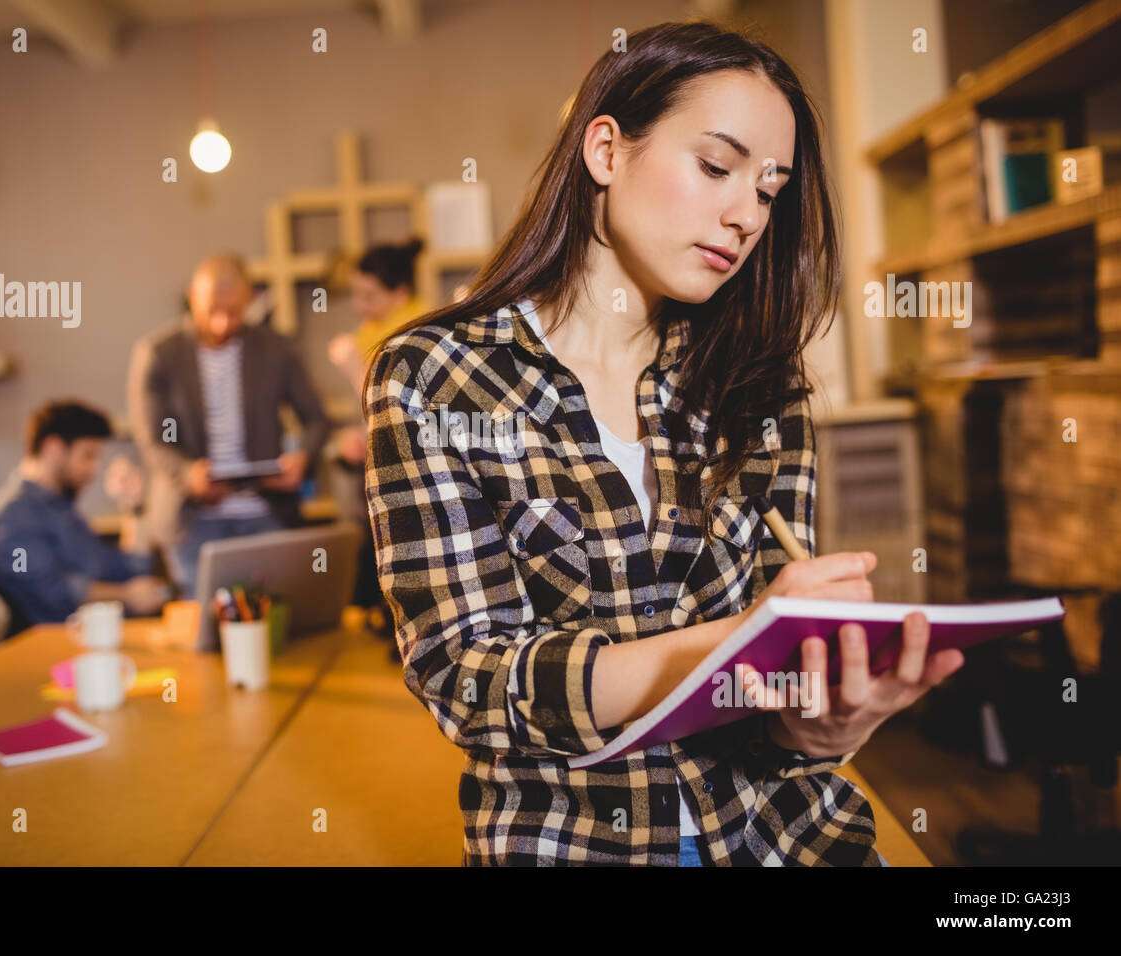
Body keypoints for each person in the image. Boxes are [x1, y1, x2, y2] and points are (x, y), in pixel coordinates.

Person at [361, 21, 965, 866]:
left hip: (782, 837)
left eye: (769, 188)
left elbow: (778, 712)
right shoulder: (435, 377)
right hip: (568, 842)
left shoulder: (760, 379)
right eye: (717, 167)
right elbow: (470, 681)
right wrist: (733, 640)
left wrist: (820, 721)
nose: (746, 213)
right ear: (605, 150)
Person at [127, 253, 330, 599]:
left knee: (278, 620)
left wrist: (301, 459)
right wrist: (187, 474)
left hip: (266, 514)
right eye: (212, 312)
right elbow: (153, 439)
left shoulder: (276, 349)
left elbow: (317, 420)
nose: (222, 324)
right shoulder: (159, 354)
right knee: (205, 632)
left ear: (249, 300)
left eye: (234, 313)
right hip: (191, 522)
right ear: (193, 298)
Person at [0, 400, 169, 625]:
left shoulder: (60, 509)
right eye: (88, 456)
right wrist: (127, 595)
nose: (94, 469)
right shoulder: (10, 520)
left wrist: (134, 506)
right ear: (54, 448)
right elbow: (55, 593)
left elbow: (127, 569)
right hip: (64, 640)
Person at [327, 239, 430, 645]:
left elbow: (404, 413)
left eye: (369, 295)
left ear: (400, 293)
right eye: (355, 294)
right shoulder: (369, 332)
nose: (359, 305)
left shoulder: (420, 330)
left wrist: (356, 370)